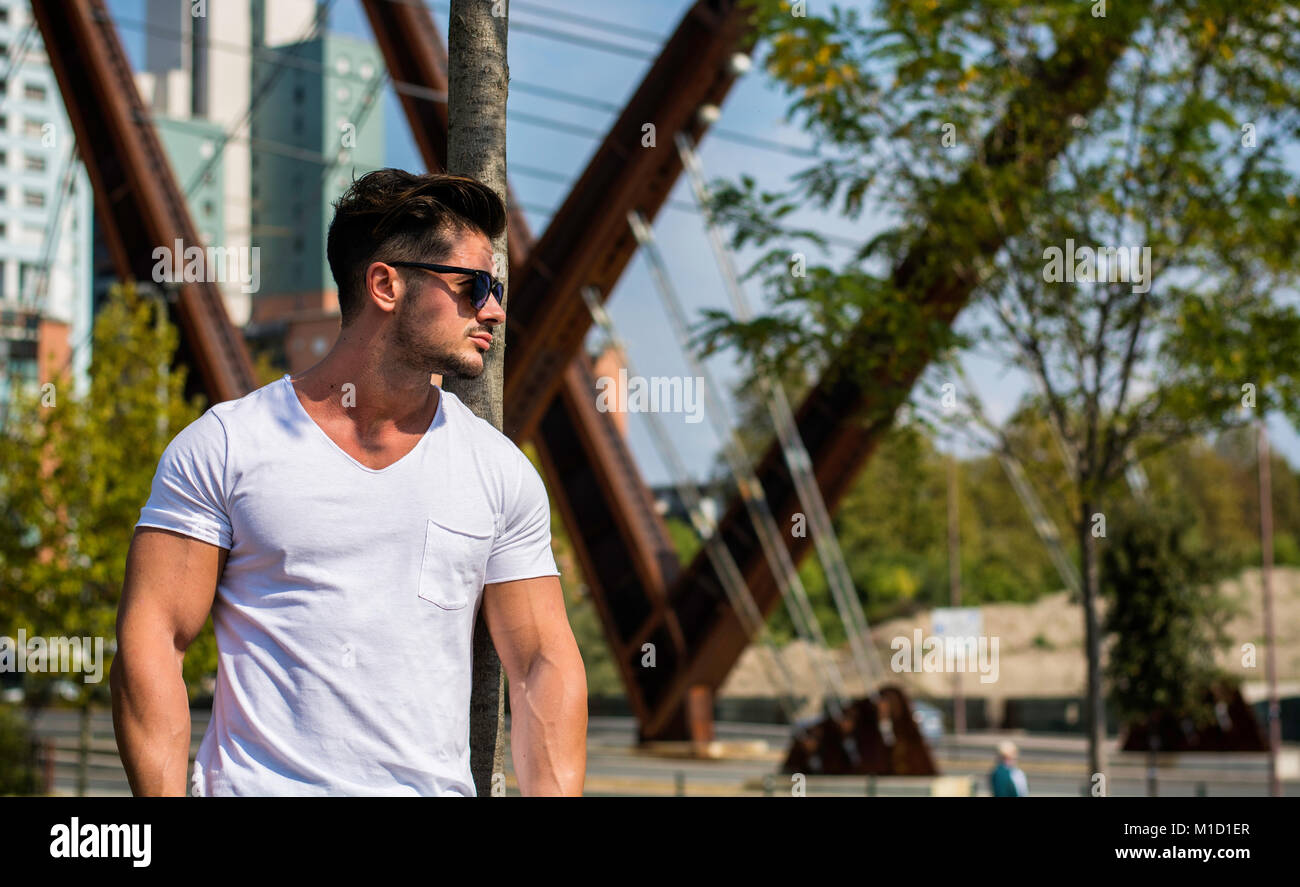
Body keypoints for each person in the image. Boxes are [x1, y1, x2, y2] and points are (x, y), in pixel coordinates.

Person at [110, 169, 588, 796]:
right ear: (386, 285)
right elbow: (153, 641)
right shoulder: (227, 446)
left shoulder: (497, 470)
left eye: (497, 288)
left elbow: (539, 666)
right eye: (474, 285)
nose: (494, 309)